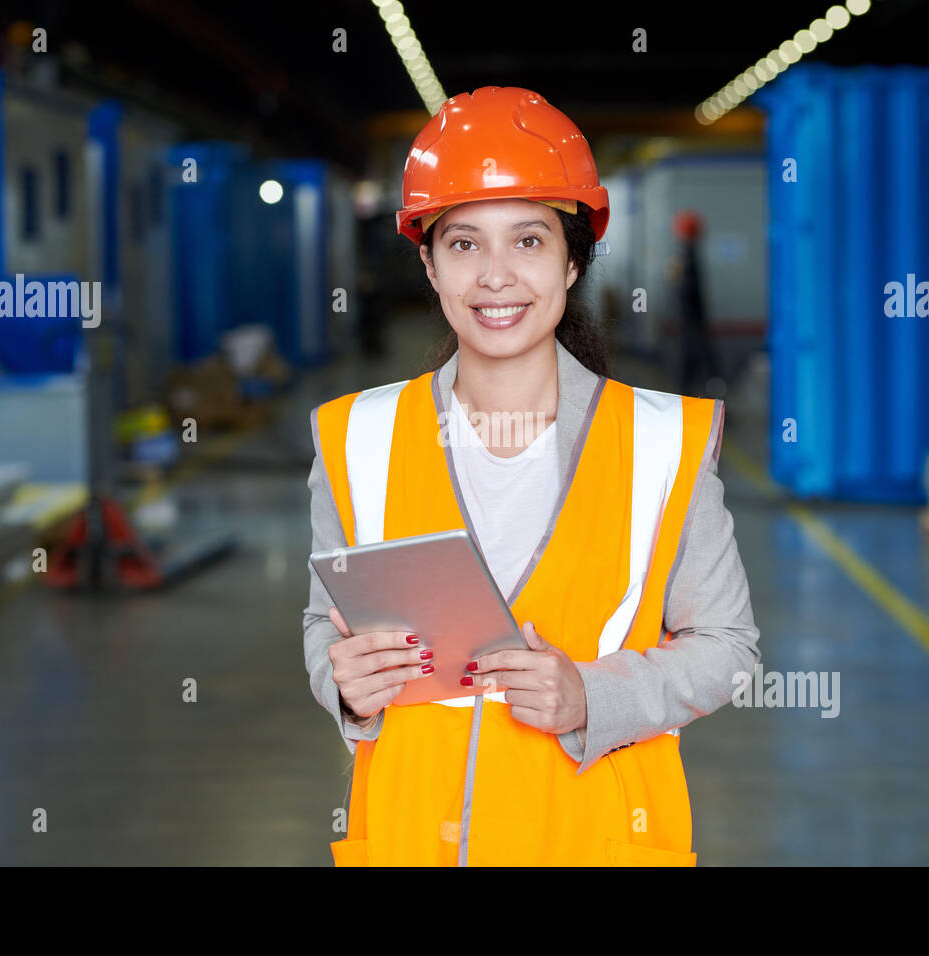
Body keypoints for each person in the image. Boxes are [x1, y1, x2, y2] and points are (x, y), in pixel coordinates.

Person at [302, 87, 759, 866]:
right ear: (429, 262)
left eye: (529, 241)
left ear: (573, 259)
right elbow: (327, 627)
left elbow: (730, 649)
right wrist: (341, 682)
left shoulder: (662, 442)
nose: (496, 276)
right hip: (413, 839)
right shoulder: (356, 437)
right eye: (465, 243)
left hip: (595, 841)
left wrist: (592, 696)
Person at [668, 209, 726, 398]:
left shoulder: (684, 254)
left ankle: (688, 396)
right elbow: (687, 289)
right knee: (700, 361)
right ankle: (698, 398)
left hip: (689, 320)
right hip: (692, 319)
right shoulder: (687, 255)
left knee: (693, 361)